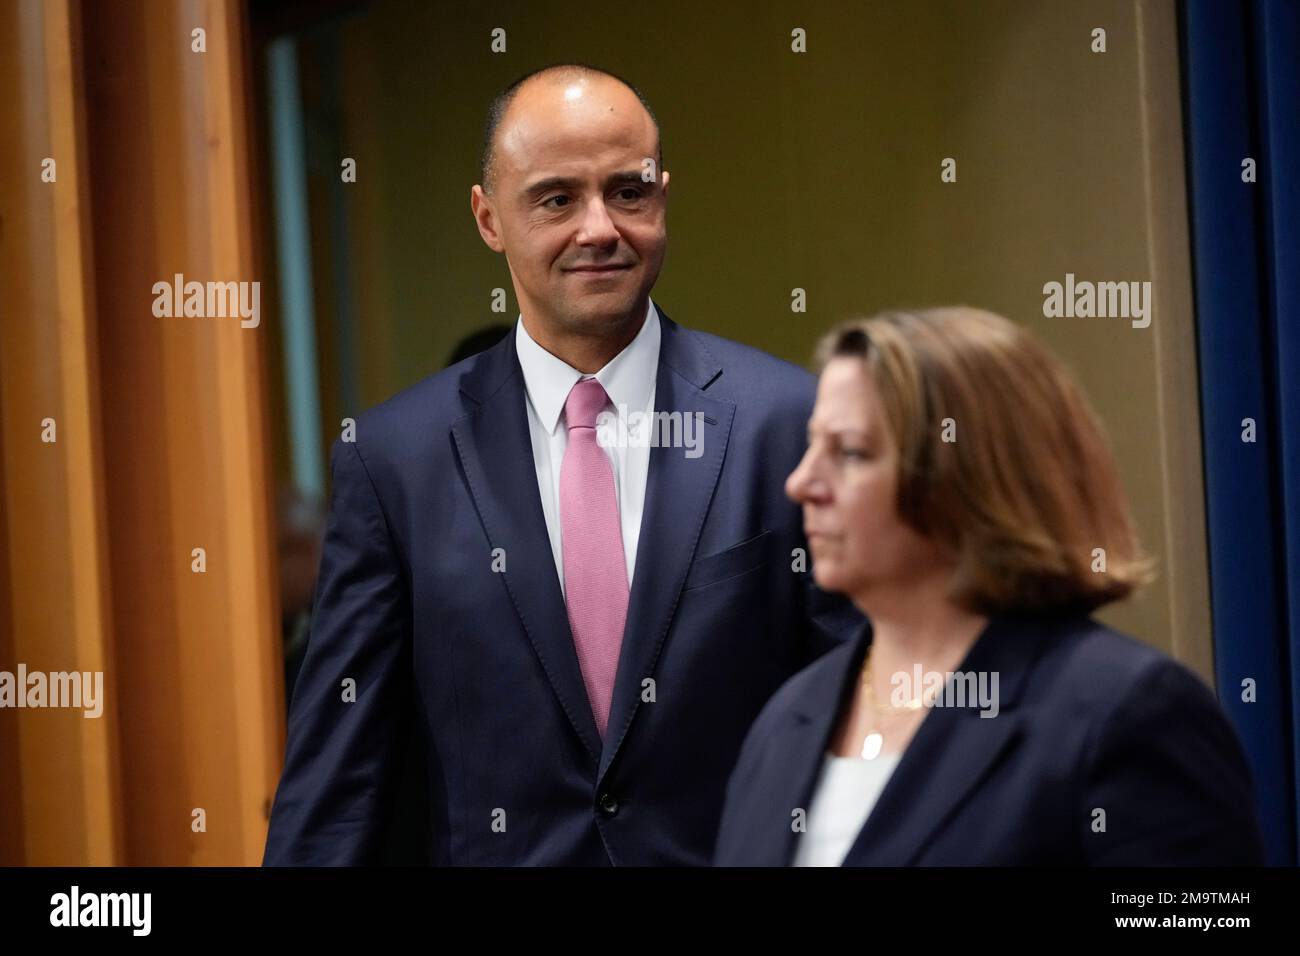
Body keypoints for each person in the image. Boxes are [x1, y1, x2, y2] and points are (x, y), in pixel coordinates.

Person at [263, 63, 860, 866]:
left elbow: (862, 717)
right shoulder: (395, 460)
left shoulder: (787, 424)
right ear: (488, 219)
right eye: (556, 199)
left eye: (628, 192)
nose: (599, 228)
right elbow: (338, 779)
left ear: (663, 197)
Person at [714, 307, 1266, 866]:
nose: (801, 482)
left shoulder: (1125, 711)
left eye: (851, 453)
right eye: (812, 446)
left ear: (973, 477)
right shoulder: (788, 716)